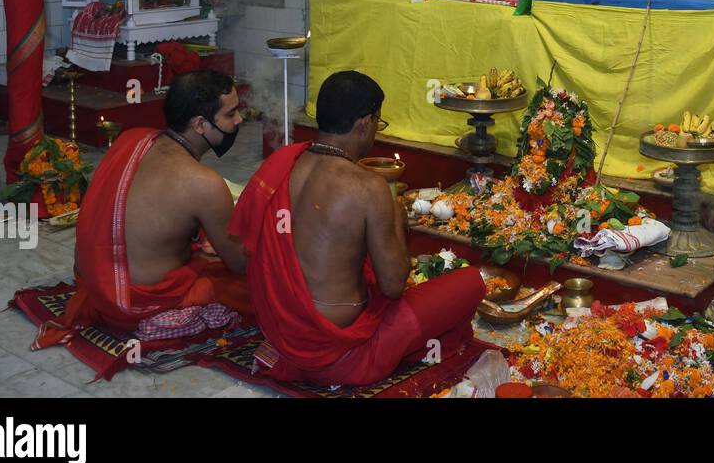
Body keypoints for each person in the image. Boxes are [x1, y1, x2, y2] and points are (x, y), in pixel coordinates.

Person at [230, 70, 484, 387]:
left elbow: (244, 250)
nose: (376, 131)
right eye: (378, 122)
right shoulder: (368, 187)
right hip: (342, 357)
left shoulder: (280, 162)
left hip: (281, 339)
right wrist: (396, 218)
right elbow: (393, 286)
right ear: (364, 123)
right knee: (471, 282)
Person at [35, 70, 251, 348]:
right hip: (136, 305)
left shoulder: (132, 139)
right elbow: (241, 264)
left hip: (95, 285)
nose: (239, 120)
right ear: (199, 124)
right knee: (264, 285)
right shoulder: (204, 184)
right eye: (230, 114)